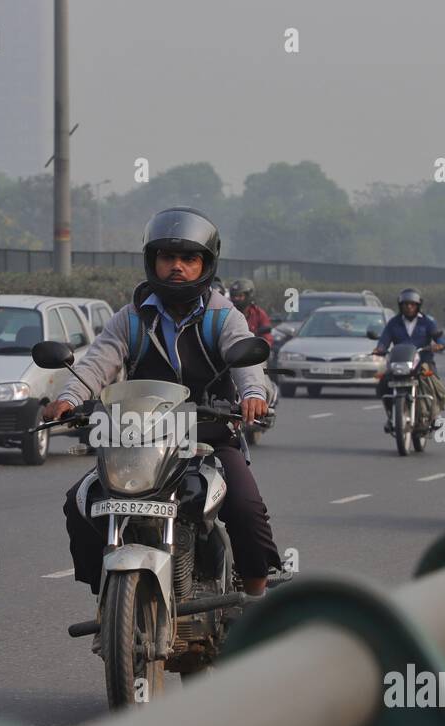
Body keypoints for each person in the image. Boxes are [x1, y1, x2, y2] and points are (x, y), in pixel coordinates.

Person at [42, 207, 281, 603]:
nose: (177, 267)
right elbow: (98, 363)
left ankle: (256, 604)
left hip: (208, 439)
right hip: (139, 441)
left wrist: (252, 394)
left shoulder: (222, 315)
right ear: (152, 261)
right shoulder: (131, 318)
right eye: (167, 257)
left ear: (205, 264)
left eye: (189, 258)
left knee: (246, 507)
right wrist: (68, 400)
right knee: (80, 503)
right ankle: (108, 595)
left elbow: (247, 359)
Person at [372, 287, 445, 431]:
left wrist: (439, 345)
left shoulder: (427, 322)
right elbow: (384, 340)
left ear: (418, 306)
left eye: (412, 304)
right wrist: (380, 348)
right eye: (406, 304)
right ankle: (391, 415)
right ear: (401, 306)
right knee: (383, 383)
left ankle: (435, 415)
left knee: (433, 383)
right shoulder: (394, 323)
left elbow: (439, 337)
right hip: (399, 362)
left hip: (423, 361)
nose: (409, 307)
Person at [230, 278, 273, 344]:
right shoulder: (228, 314)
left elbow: (267, 339)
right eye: (234, 296)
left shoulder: (259, 313)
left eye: (240, 296)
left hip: (253, 350)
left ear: (249, 296)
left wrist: (259, 348)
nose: (236, 298)